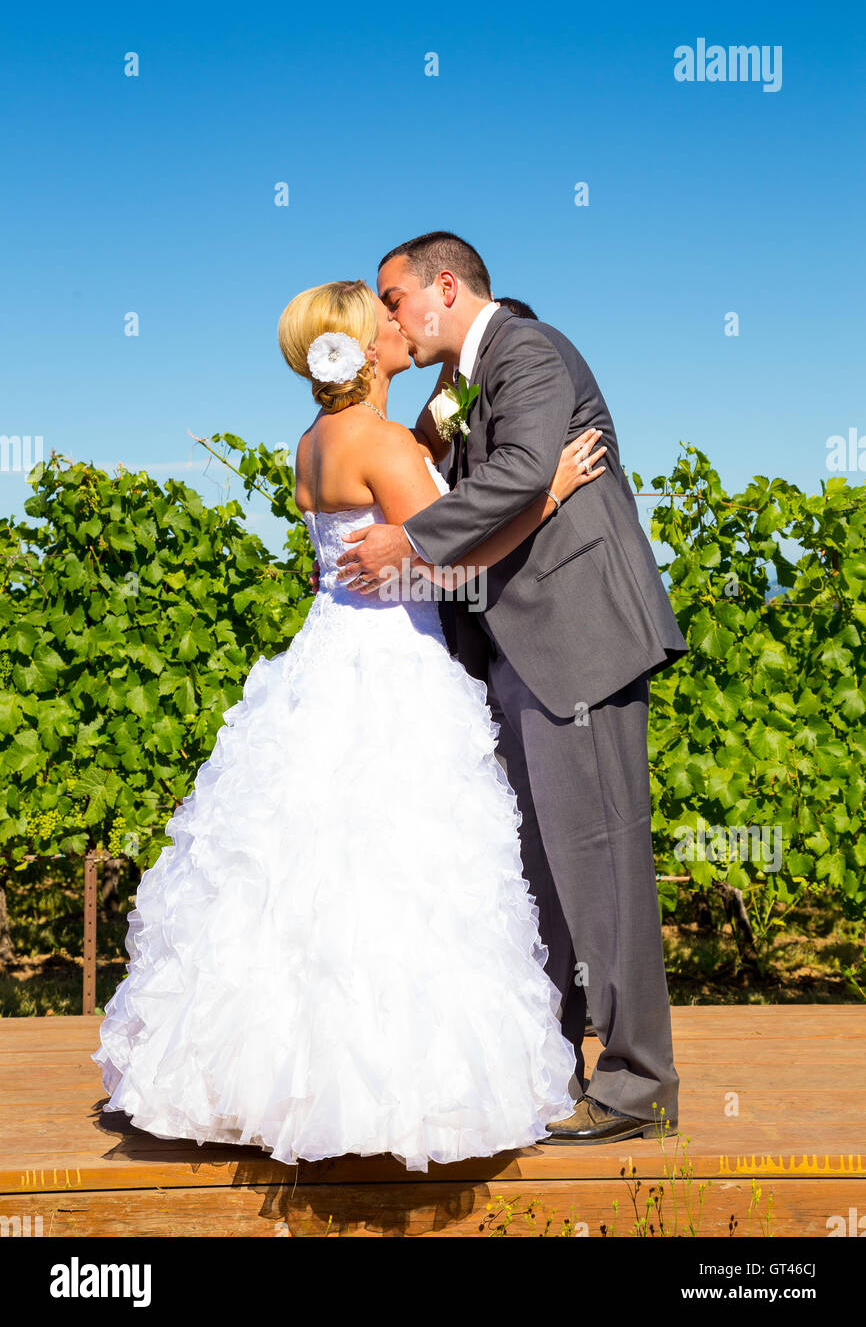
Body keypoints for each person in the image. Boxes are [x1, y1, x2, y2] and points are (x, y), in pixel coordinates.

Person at [90, 277, 609, 1173]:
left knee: (297, 868)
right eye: (386, 322)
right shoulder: (382, 445)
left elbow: (382, 500)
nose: (401, 326)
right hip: (393, 661)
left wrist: (439, 423)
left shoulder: (316, 441)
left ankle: (263, 1086)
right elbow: (448, 570)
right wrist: (552, 489)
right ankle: (398, 1099)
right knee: (398, 866)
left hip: (323, 651)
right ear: (366, 349)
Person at [334, 232, 689, 1144]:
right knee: (540, 877)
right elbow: (490, 489)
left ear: (442, 289)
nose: (384, 315)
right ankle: (549, 1067)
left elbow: (525, 472)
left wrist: (411, 543)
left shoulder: (528, 351)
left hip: (581, 647)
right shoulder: (457, 387)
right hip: (516, 656)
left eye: (391, 295)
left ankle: (639, 1088)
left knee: (602, 868)